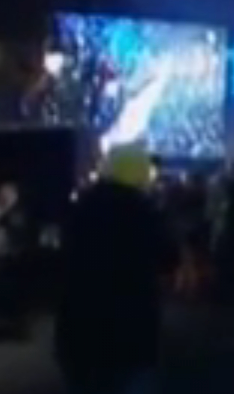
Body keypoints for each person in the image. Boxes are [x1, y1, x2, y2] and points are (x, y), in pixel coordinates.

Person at [54, 144, 176, 394]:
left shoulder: (81, 208)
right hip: (130, 332)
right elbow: (167, 258)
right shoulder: (143, 212)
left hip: (79, 329)